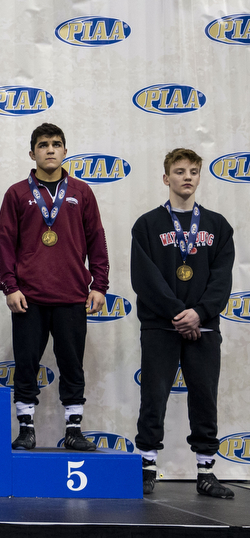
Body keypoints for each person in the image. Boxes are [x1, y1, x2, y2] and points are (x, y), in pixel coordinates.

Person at [0, 123, 108, 451]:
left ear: (65, 151)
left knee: (72, 364)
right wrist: (9, 287)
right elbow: (4, 243)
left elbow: (96, 239)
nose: (50, 150)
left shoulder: (82, 192)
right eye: (43, 145)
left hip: (72, 294)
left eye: (57, 144)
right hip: (28, 297)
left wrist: (99, 284)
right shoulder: (17, 193)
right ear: (32, 153)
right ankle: (26, 429)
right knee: (26, 363)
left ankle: (74, 429)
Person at [132, 148, 235, 498]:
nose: (187, 177)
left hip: (204, 327)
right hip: (161, 326)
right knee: (154, 395)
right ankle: (147, 467)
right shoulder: (147, 225)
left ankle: (206, 471)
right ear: (166, 178)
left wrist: (200, 313)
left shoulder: (218, 226)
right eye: (179, 171)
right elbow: (144, 279)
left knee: (204, 397)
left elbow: (222, 279)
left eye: (193, 171)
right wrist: (180, 313)